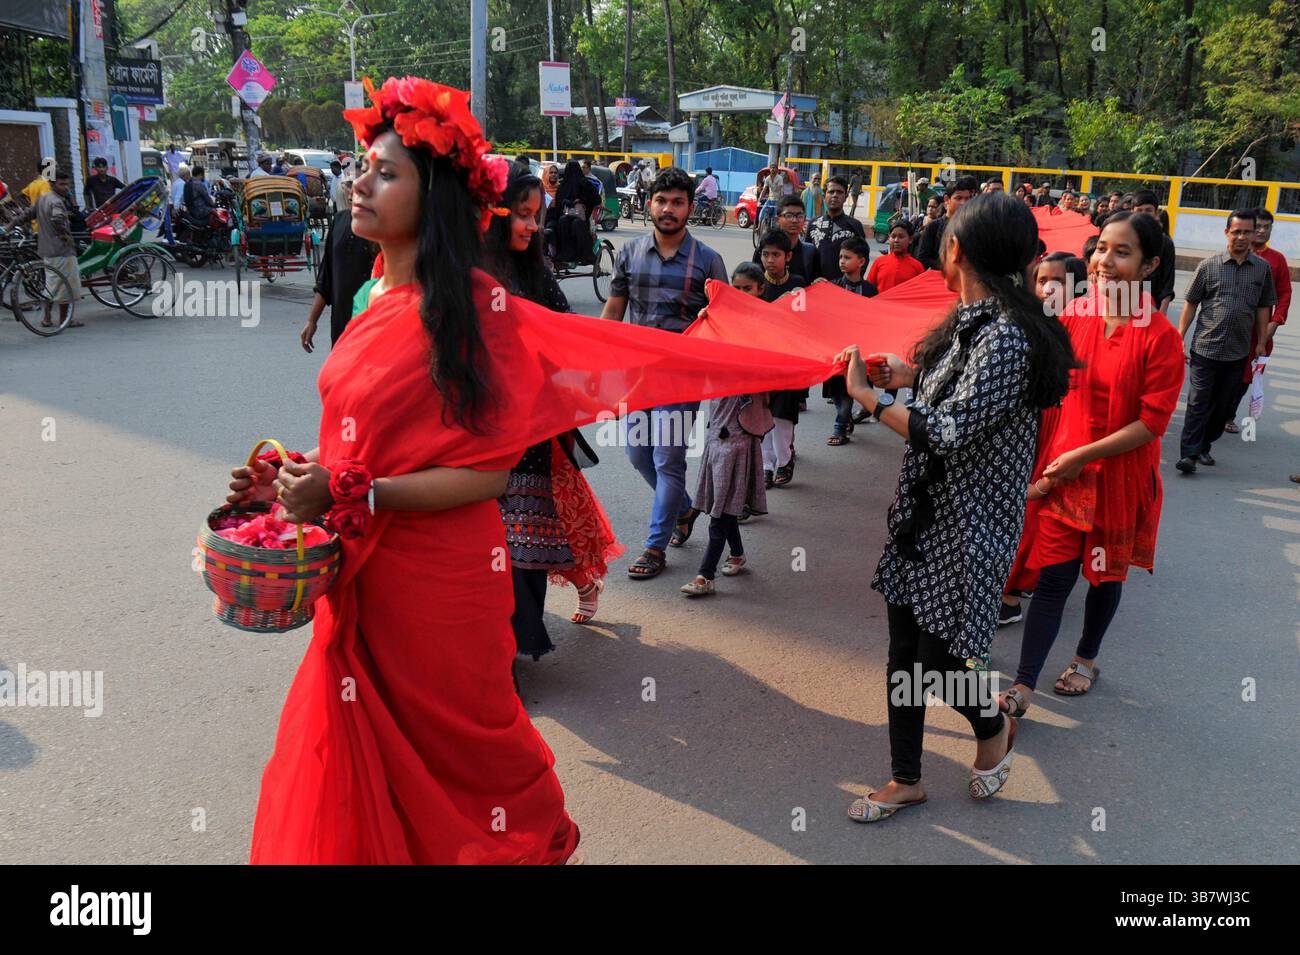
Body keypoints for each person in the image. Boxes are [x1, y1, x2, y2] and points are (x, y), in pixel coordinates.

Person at [234, 77, 580, 865]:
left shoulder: (473, 305)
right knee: (362, 766)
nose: (360, 181)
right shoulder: (367, 292)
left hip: (440, 584)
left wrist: (356, 491)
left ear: (438, 200)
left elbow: (488, 473)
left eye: (386, 172)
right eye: (363, 165)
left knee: (470, 766)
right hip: (362, 569)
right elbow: (366, 443)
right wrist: (289, 480)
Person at [834, 192, 1076, 823]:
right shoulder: (972, 319)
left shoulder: (1008, 336)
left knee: (940, 663)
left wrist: (866, 398)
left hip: (967, 529)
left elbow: (946, 431)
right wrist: (904, 378)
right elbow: (951, 395)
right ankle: (905, 777)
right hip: (923, 516)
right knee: (901, 652)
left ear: (956, 250)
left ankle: (992, 728)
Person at [998, 212, 1184, 712]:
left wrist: (1084, 456)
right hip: (1065, 476)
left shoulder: (1160, 336)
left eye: (1122, 252)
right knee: (1055, 578)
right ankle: (1024, 683)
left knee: (1104, 576)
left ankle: (1085, 658)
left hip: (1119, 479)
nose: (1104, 260)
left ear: (1149, 266)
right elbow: (1038, 380)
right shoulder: (1074, 313)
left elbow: (1151, 423)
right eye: (1101, 248)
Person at [483, 167, 623, 651]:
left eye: (535, 216)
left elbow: (569, 337)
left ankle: (517, 643)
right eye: (520, 215)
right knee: (487, 541)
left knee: (525, 538)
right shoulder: (464, 275)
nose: (531, 227)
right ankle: (497, 638)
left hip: (530, 431)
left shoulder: (534, 273)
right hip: (475, 432)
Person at [601, 166, 727, 580]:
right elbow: (614, 311)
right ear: (650, 204)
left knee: (667, 460)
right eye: (661, 201)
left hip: (680, 377)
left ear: (691, 207)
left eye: (677, 202)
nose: (668, 209)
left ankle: (655, 547)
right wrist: (598, 361)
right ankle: (686, 508)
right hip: (638, 376)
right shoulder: (630, 253)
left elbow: (726, 321)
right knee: (638, 456)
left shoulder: (709, 260)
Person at [1000, 252, 1089, 626]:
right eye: (1041, 279)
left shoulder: (1085, 328)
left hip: (1063, 430)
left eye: (1059, 281)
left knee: (1035, 508)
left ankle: (1011, 594)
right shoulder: (1025, 323)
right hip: (1027, 428)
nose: (1048, 287)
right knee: (1019, 510)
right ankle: (1018, 583)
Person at [1175, 209, 1275, 473]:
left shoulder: (1262, 269)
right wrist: (1180, 336)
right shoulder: (1208, 266)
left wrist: (1262, 341)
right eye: (1236, 231)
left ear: (1255, 234)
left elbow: (1264, 307)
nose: (1241, 237)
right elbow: (1191, 303)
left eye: (1247, 232)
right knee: (1198, 402)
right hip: (1205, 348)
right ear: (1227, 233)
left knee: (1221, 408)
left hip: (1238, 352)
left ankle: (1205, 445)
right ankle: (1189, 454)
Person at [679, 377, 771, 597]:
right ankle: (737, 553)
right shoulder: (718, 371)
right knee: (725, 508)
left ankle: (705, 575)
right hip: (717, 442)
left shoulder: (752, 374)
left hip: (736, 447)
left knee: (720, 514)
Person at [1224, 206, 1291, 433]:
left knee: (1246, 376)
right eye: (1258, 227)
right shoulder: (1233, 255)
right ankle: (1214, 413)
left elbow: (1285, 293)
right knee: (1224, 372)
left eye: (1266, 227)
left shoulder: (1277, 260)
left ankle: (1228, 415)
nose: (1262, 231)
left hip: (1259, 332)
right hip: (1231, 328)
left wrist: (1275, 322)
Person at [754, 230, 808, 486]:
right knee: (763, 414)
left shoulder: (798, 285)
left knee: (782, 416)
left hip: (790, 361)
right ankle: (765, 465)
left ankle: (784, 461)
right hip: (761, 361)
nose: (770, 260)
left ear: (788, 256)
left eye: (776, 254)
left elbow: (804, 323)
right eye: (765, 254)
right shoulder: (755, 284)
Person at [300, 179, 377, 351]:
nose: (352, 192)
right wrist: (312, 321)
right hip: (341, 328)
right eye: (351, 187)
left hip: (374, 328)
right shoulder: (339, 221)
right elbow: (326, 278)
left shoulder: (386, 228)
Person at [826, 236, 878, 447]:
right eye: (840, 257)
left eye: (847, 257)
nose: (841, 261)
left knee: (854, 387)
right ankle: (845, 420)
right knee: (839, 391)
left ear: (862, 262)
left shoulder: (870, 290)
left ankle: (840, 427)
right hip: (837, 349)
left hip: (862, 350)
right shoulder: (832, 287)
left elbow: (877, 318)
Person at [17, 166, 84, 328]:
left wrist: (9, 227)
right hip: (61, 250)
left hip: (47, 250)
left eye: (68, 184)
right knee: (65, 288)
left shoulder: (43, 198)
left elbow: (25, 215)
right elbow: (58, 219)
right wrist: (66, 237)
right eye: (62, 184)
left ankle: (46, 318)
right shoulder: (56, 201)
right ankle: (65, 320)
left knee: (51, 286)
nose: (66, 188)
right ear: (53, 184)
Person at [806, 175, 865, 280]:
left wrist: (850, 282)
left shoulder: (855, 226)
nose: (835, 195)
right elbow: (807, 256)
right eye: (831, 192)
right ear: (824, 195)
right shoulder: (813, 224)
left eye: (839, 192)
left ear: (846, 196)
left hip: (843, 290)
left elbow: (863, 258)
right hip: (815, 286)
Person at [915, 175, 977, 270]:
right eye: (958, 198)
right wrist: (948, 268)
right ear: (946, 199)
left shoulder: (974, 227)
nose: (963, 203)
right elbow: (923, 258)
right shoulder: (934, 226)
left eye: (967, 199)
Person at [751, 195, 816, 281]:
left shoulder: (810, 252)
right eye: (789, 215)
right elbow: (753, 281)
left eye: (799, 216)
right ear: (777, 220)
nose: (794, 220)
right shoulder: (765, 250)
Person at [548, 159, 600, 264]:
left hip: (581, 217)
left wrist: (582, 202)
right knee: (563, 221)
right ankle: (566, 254)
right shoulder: (564, 185)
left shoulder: (584, 184)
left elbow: (596, 199)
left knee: (576, 223)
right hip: (567, 215)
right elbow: (560, 203)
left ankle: (583, 254)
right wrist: (567, 203)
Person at [1130, 190, 1175, 312]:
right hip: (1124, 302)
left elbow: (1168, 281)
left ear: (1156, 213)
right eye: (1139, 210)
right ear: (1132, 212)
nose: (1143, 214)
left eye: (1148, 210)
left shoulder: (1166, 243)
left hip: (1153, 306)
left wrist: (1162, 311)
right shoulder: (1124, 239)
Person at [867, 219, 925, 293]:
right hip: (879, 303)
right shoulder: (879, 262)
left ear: (910, 239)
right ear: (889, 238)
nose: (896, 240)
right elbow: (868, 289)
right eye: (893, 236)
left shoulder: (917, 267)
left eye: (901, 237)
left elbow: (920, 292)